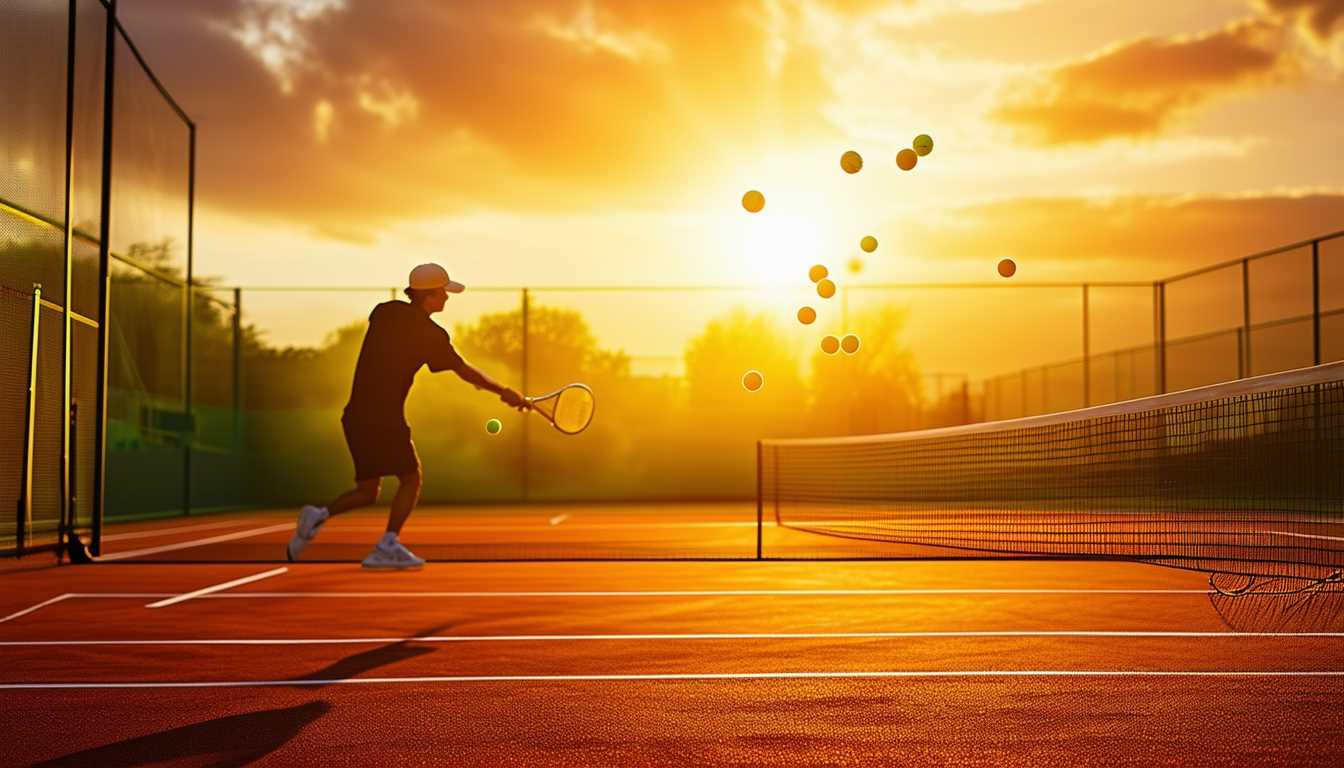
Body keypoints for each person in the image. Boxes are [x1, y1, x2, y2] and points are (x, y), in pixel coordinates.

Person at [286, 263, 527, 568]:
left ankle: (317, 516)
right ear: (430, 295)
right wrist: (504, 391)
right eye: (443, 292)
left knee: (367, 491)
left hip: (355, 416)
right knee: (411, 479)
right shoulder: (431, 334)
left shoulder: (384, 312)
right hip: (384, 418)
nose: (447, 299)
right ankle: (387, 545)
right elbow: (464, 371)